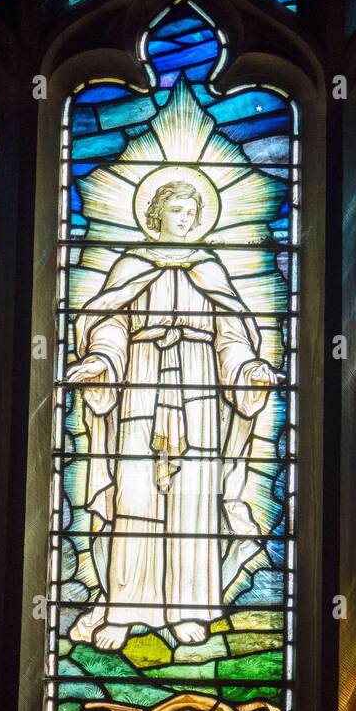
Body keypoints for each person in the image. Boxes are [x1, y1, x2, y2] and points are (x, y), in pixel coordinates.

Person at [65, 177, 283, 652]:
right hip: (139, 387)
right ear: (154, 216)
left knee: (193, 498)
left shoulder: (209, 269)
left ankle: (186, 607)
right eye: (176, 212)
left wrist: (248, 370)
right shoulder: (131, 265)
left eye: (191, 213)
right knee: (136, 498)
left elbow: (233, 336)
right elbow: (110, 324)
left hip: (200, 388)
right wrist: (101, 362)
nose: (184, 220)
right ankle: (123, 607)